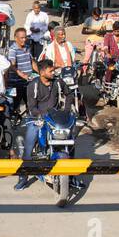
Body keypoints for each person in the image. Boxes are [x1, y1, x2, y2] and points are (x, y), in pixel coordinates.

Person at [15, 59, 74, 191]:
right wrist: (40, 116)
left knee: (70, 140)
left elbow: (69, 94)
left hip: (55, 118)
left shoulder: (58, 82)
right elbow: (31, 107)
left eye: (53, 70)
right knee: (29, 149)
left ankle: (72, 175)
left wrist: (66, 110)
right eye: (50, 70)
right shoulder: (33, 85)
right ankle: (23, 178)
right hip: (38, 118)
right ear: (42, 72)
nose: (53, 72)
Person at [5, 27, 40, 118]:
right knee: (14, 105)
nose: (24, 40)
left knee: (31, 103)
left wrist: (41, 72)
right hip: (16, 82)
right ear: (16, 38)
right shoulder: (13, 50)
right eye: (21, 38)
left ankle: (31, 120)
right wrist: (22, 75)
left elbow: (32, 62)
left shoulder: (27, 47)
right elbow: (12, 66)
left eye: (25, 37)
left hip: (28, 81)